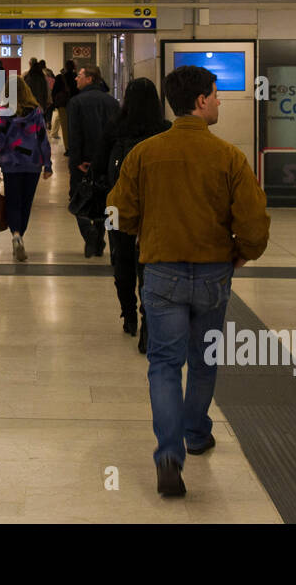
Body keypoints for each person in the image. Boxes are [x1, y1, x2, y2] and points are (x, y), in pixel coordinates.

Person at [107, 66, 270, 498]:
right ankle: (197, 432)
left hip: (161, 271)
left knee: (163, 364)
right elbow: (254, 224)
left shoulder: (144, 153)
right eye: (216, 95)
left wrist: (144, 225)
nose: (219, 101)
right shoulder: (230, 157)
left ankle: (168, 454)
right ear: (200, 101)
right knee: (203, 358)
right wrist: (243, 251)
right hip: (214, 271)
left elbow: (118, 213)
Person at [94, 78, 169, 347]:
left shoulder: (115, 128)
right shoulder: (164, 131)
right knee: (149, 265)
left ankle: (128, 315)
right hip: (156, 208)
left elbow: (99, 167)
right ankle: (149, 321)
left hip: (117, 207)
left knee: (121, 260)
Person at [0, 76, 53, 262]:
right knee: (26, 202)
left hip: (11, 164)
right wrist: (48, 164)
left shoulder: (2, 112)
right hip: (32, 164)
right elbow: (43, 139)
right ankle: (21, 235)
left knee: (13, 202)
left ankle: (16, 234)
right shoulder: (36, 112)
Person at [67, 64, 119, 258]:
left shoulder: (76, 102)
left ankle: (89, 234)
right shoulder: (112, 102)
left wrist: (76, 160)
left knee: (77, 199)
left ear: (89, 78)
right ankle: (98, 239)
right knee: (104, 202)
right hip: (106, 162)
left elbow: (75, 135)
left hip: (85, 162)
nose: (76, 79)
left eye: (79, 76)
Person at [50, 60, 76, 148]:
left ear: (65, 67)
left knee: (65, 127)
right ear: (74, 67)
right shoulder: (76, 77)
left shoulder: (60, 77)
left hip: (63, 104)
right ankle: (75, 145)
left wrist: (55, 103)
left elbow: (54, 92)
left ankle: (68, 147)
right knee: (75, 126)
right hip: (75, 104)